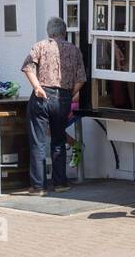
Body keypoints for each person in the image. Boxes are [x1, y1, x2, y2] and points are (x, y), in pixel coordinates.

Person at [21, 17, 87, 195]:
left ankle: (38, 186)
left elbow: (28, 67)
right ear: (64, 32)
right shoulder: (74, 50)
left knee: (38, 142)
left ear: (49, 31)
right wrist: (69, 95)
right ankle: (60, 183)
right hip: (63, 97)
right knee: (58, 141)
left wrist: (37, 87)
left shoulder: (40, 46)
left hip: (42, 96)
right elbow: (81, 79)